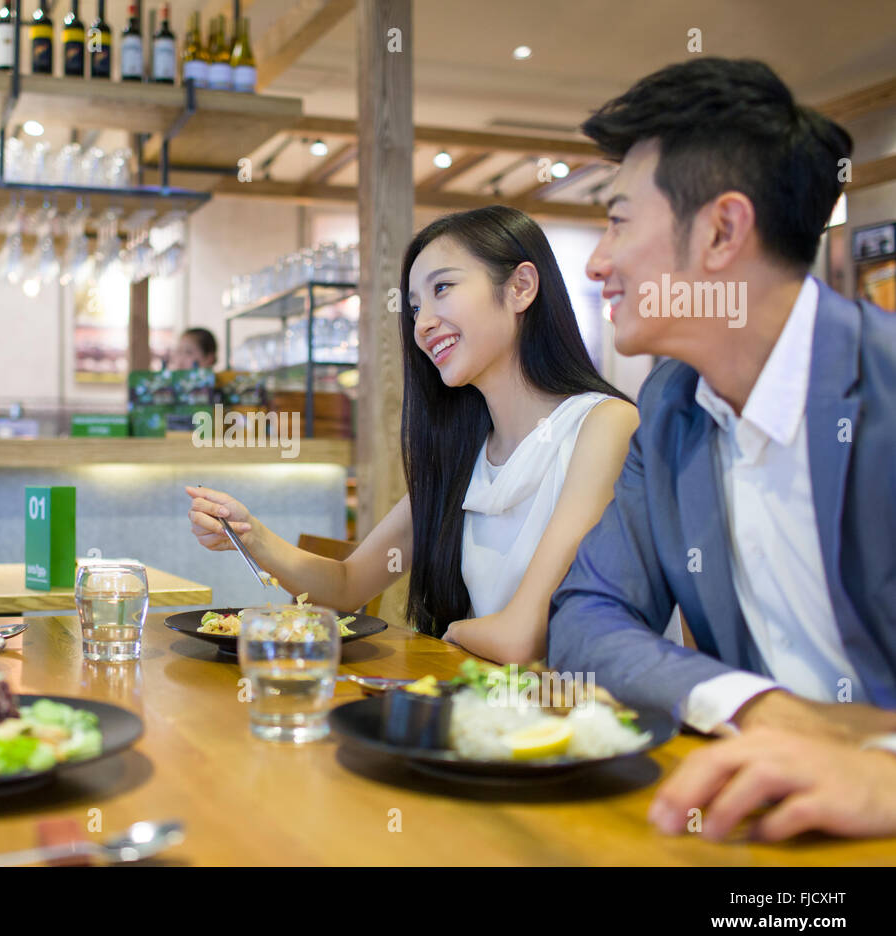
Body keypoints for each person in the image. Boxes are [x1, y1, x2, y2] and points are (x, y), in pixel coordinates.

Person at [545, 57, 896, 838]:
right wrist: (757, 706)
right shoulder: (671, 406)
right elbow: (586, 614)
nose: (599, 264)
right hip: (769, 829)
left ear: (722, 230)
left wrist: (881, 775)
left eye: (618, 221)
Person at [188, 206, 637, 661]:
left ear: (521, 287)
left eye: (443, 288)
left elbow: (521, 637)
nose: (421, 324)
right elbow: (347, 586)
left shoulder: (603, 424)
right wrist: (251, 535)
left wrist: (447, 638)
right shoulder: (463, 453)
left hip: (593, 719)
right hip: (494, 713)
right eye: (416, 306)